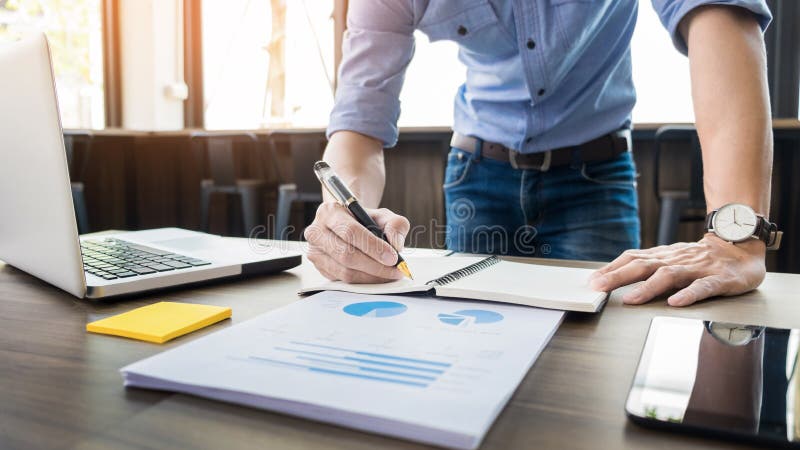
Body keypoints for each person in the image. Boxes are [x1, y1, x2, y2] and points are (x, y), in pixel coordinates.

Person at [304, 0, 778, 307]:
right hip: (476, 173)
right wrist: (345, 219)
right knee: (470, 332)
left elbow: (718, 13)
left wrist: (735, 236)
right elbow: (359, 122)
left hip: (595, 175)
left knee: (600, 331)